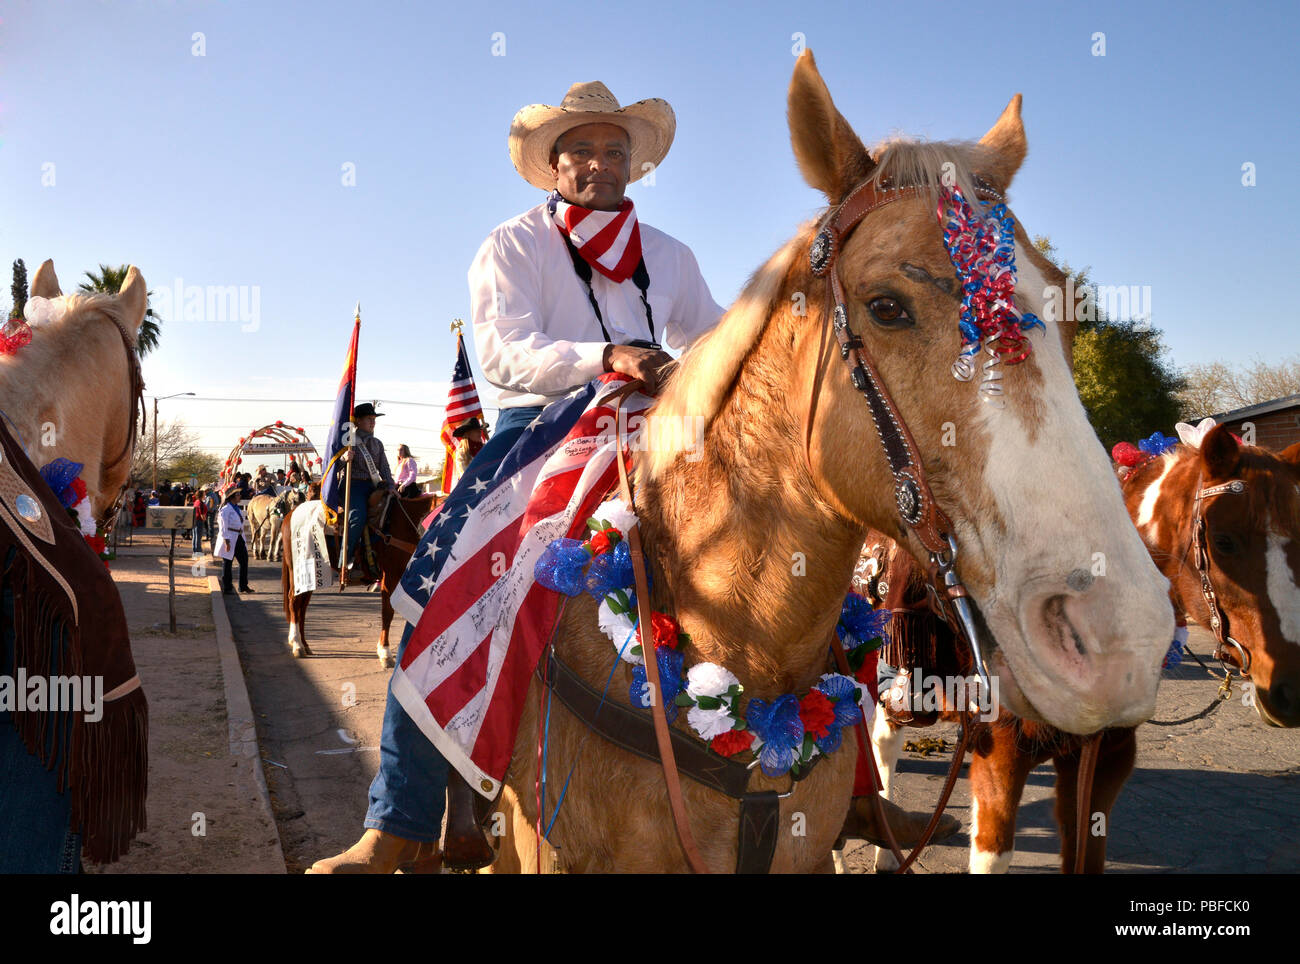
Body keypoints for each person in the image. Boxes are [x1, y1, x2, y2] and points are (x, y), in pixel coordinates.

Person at [311, 78, 731, 873]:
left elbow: (711, 336)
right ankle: (397, 824)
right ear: (553, 167)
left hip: (658, 431)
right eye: (583, 152)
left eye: (616, 152)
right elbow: (503, 350)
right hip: (539, 435)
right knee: (445, 604)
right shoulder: (512, 244)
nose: (601, 165)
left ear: (633, 166)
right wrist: (605, 358)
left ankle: (845, 786)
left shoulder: (671, 255)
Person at [215, 485, 252, 594]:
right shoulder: (225, 510)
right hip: (230, 537)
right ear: (232, 497)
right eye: (238, 495)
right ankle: (227, 587)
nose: (240, 496)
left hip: (238, 537)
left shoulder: (237, 508)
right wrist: (226, 541)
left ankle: (243, 585)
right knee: (227, 563)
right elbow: (223, 526)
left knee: (244, 560)